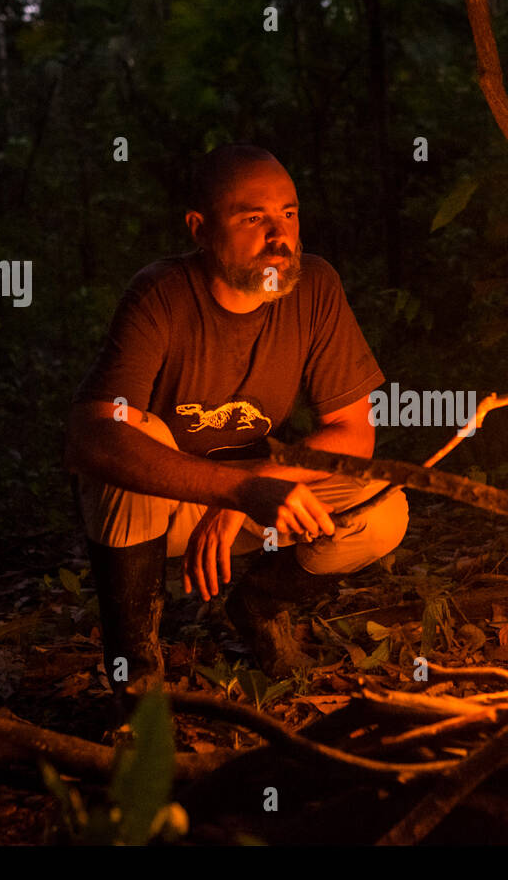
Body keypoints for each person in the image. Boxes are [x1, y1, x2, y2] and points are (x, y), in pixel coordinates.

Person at [63, 144, 407, 707]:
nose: (281, 237)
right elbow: (92, 437)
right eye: (254, 219)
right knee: (134, 432)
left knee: (382, 503)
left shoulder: (314, 286)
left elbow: (353, 432)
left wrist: (259, 482)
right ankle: (137, 678)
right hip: (162, 511)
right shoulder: (161, 295)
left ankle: (259, 607)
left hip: (252, 497)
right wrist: (238, 490)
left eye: (289, 215)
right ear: (200, 229)